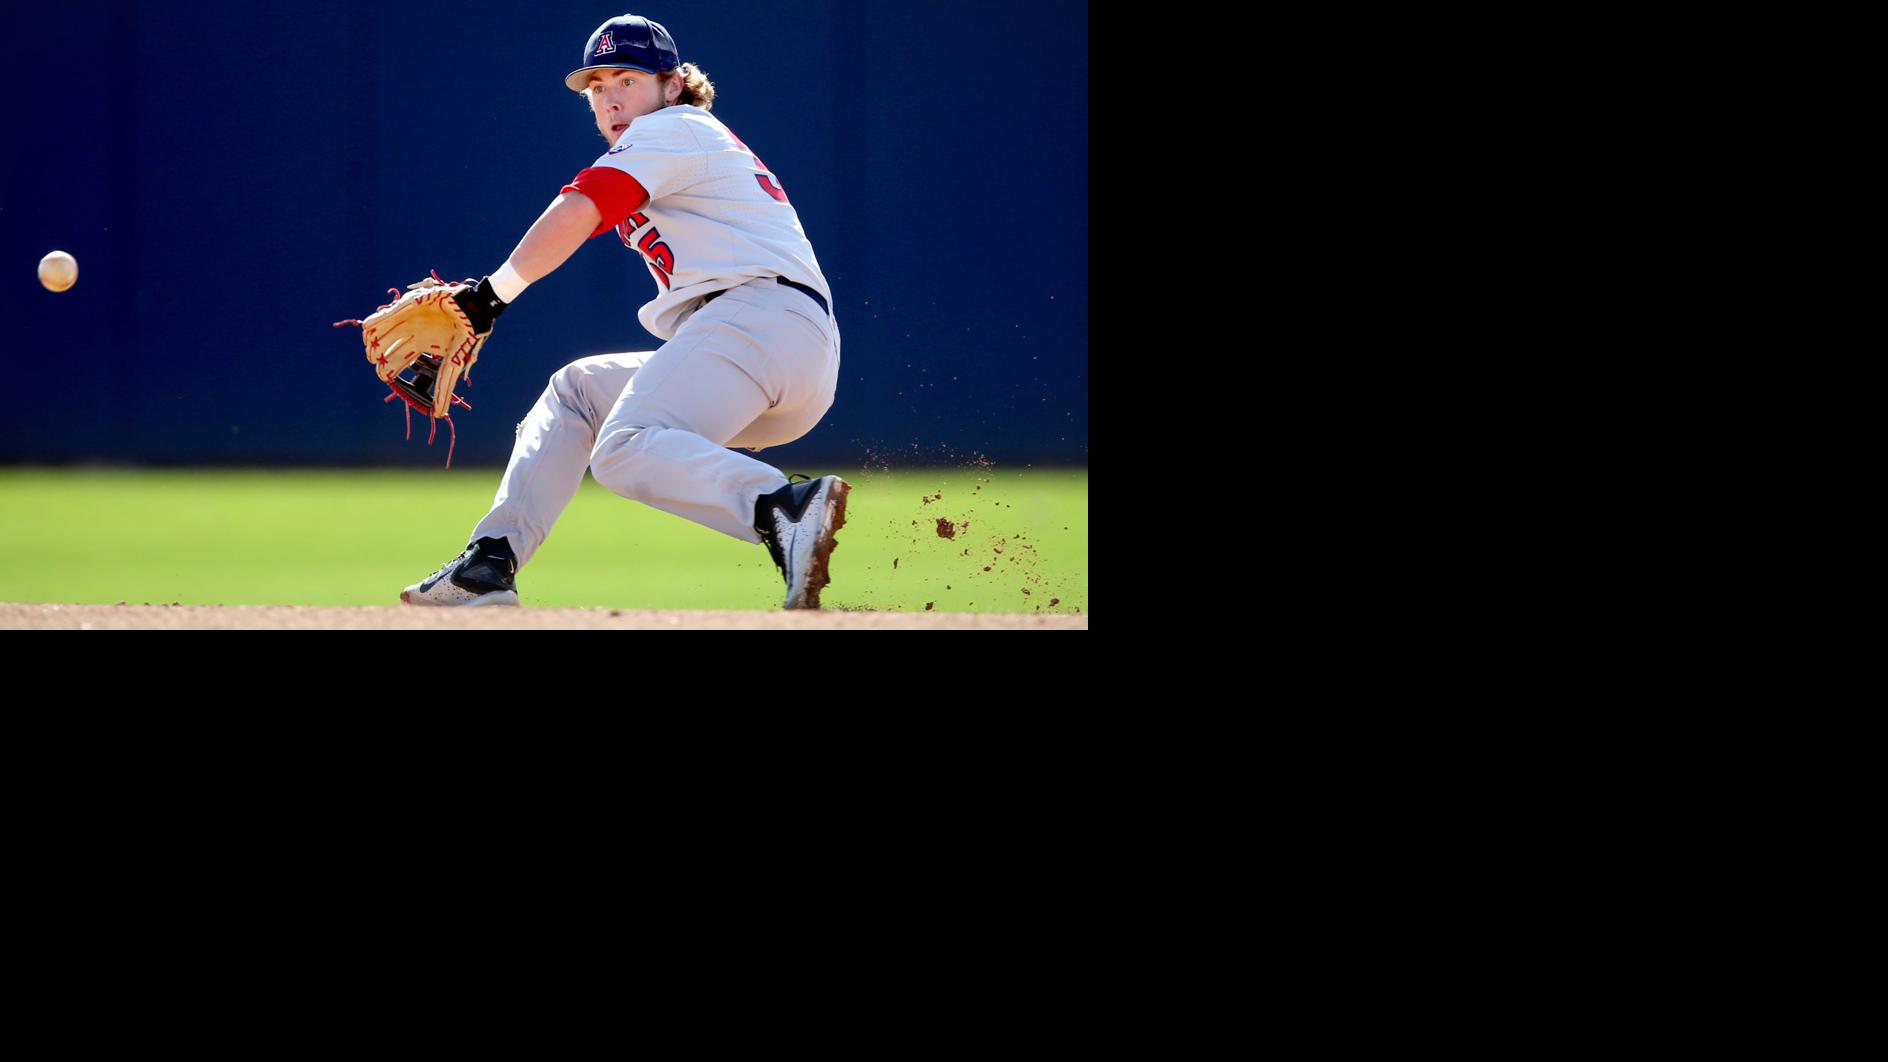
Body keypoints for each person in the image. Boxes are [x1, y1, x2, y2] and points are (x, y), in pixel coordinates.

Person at [398, 14, 848, 610]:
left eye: (626, 80)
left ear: (671, 84)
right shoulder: (676, 141)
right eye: (597, 88)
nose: (610, 99)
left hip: (756, 321)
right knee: (577, 391)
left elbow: (580, 210)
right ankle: (489, 563)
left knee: (624, 446)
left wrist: (486, 299)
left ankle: (781, 506)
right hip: (773, 350)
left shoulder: (673, 128)